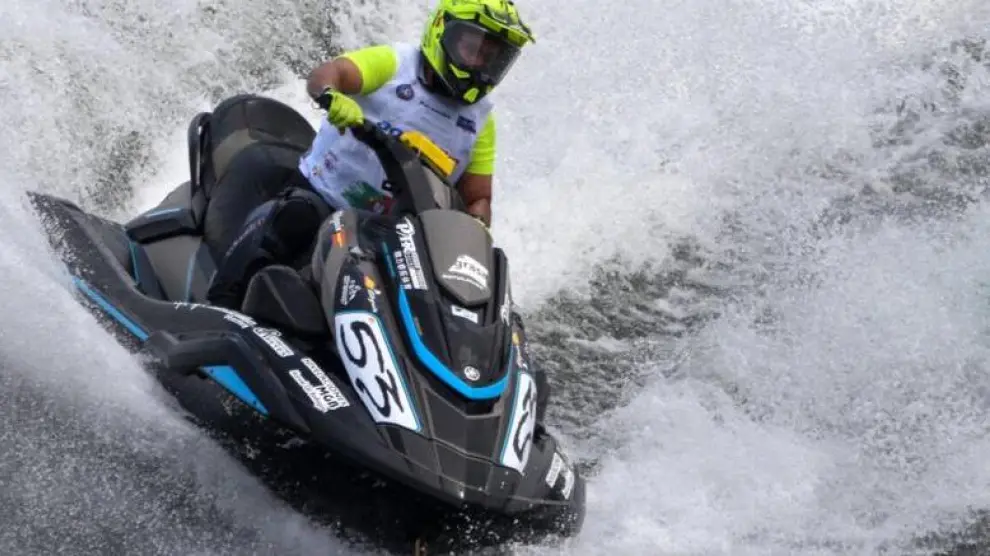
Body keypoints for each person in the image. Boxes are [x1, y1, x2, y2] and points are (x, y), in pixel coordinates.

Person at [206, 0, 535, 310]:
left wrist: (475, 228)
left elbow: (477, 196)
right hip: (323, 196)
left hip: (391, 233)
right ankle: (218, 307)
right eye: (473, 49)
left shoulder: (481, 122)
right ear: (442, 30)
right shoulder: (396, 65)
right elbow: (329, 73)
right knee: (293, 218)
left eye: (493, 59)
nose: (481, 66)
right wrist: (332, 96)